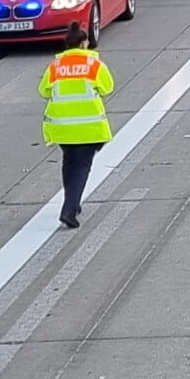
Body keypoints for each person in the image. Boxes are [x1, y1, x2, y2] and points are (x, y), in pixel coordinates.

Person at [38, 21, 115, 228]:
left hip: (61, 126)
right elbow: (107, 87)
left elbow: (44, 91)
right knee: (82, 166)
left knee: (69, 163)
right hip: (88, 126)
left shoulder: (55, 66)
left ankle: (72, 202)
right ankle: (70, 209)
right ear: (83, 44)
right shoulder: (94, 65)